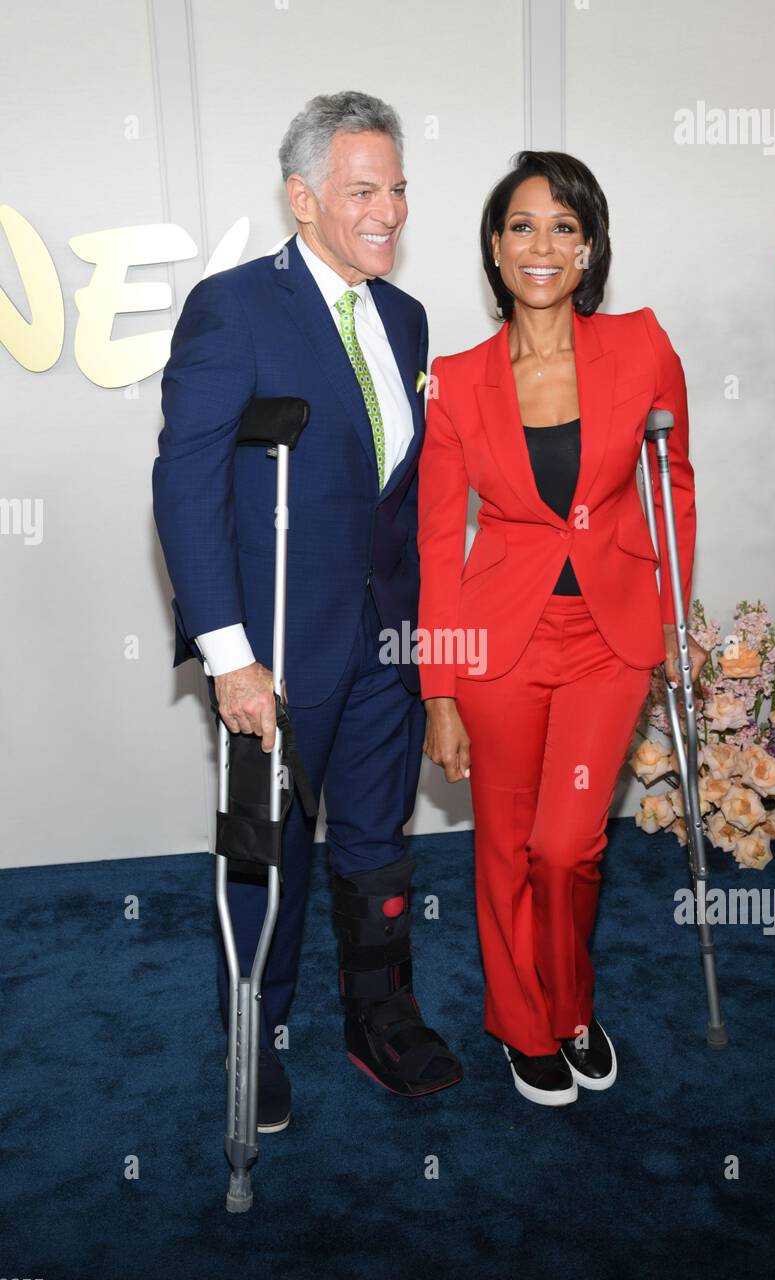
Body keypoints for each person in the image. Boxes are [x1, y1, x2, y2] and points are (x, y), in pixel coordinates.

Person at [152, 91, 462, 1133]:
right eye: (361, 190)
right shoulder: (234, 306)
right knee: (265, 849)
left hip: (386, 642)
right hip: (274, 648)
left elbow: (401, 493)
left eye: (398, 190)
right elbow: (185, 485)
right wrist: (227, 655)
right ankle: (258, 1030)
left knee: (377, 845)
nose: (387, 211)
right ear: (302, 195)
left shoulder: (405, 316)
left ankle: (377, 1014)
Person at [418, 150, 707, 1107]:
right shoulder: (456, 381)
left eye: (564, 227)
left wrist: (670, 618)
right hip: (499, 642)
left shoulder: (642, 345)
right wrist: (441, 692)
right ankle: (522, 1022)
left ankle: (573, 1006)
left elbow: (672, 483)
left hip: (607, 636)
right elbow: (434, 544)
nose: (542, 245)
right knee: (503, 842)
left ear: (589, 249)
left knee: (566, 845)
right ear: (495, 251)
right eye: (522, 227)